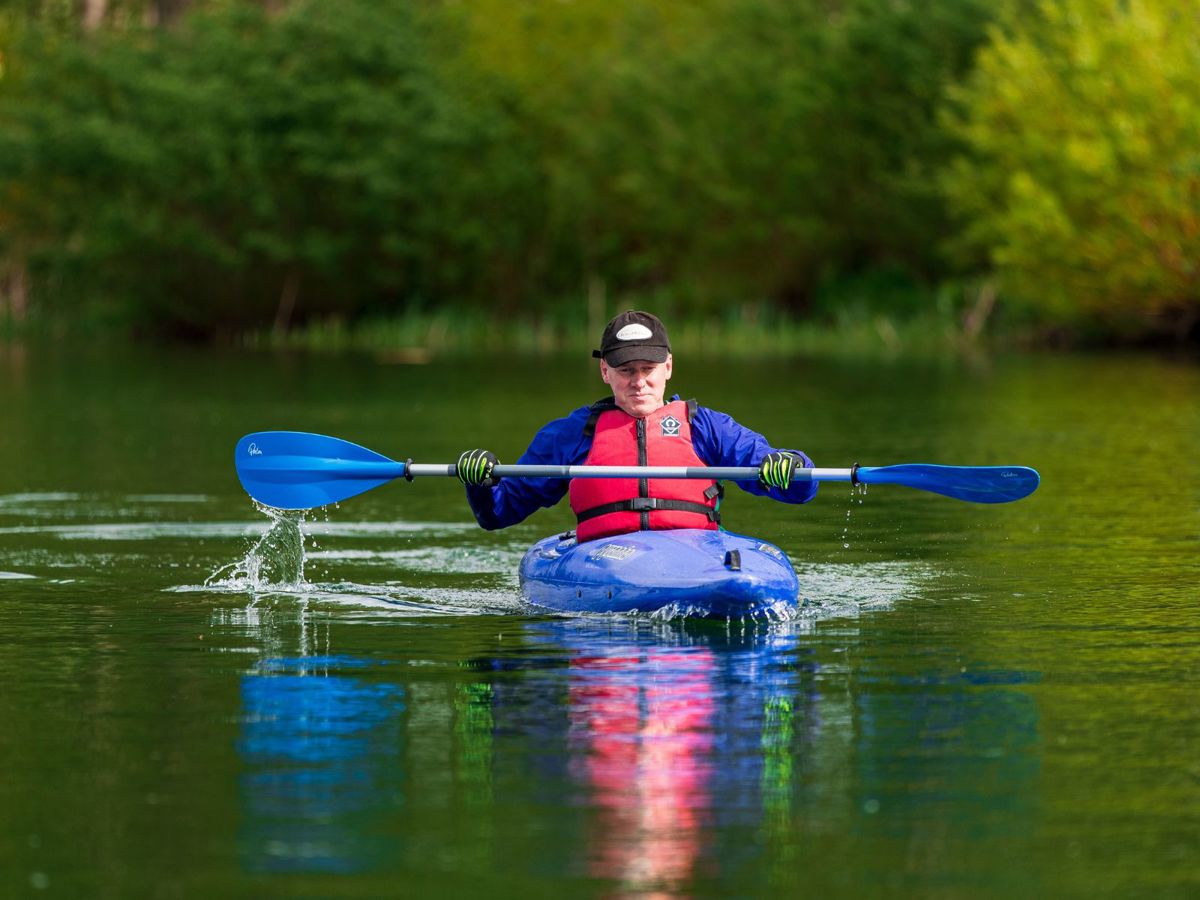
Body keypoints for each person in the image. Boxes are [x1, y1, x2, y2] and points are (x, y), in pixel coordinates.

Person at [457, 310, 817, 540]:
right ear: (605, 372)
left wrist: (792, 463)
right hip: (605, 560)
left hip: (696, 555)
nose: (638, 381)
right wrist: (480, 481)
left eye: (648, 370)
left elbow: (800, 490)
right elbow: (498, 513)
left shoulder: (705, 426)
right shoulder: (571, 434)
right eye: (626, 371)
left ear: (668, 368)